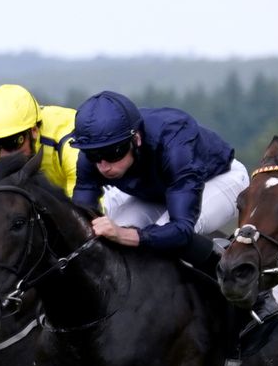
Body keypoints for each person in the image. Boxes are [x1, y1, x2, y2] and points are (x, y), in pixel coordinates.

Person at [67, 90, 249, 272]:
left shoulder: (174, 143)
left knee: (163, 239)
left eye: (112, 153)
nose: (104, 166)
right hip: (158, 192)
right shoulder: (91, 157)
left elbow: (181, 229)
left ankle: (243, 283)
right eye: (94, 155)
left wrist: (124, 234)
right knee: (110, 240)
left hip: (219, 179)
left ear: (136, 139)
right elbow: (81, 222)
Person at [0, 84, 78, 193]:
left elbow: (84, 206)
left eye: (12, 143)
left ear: (34, 130)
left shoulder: (71, 145)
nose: (4, 156)